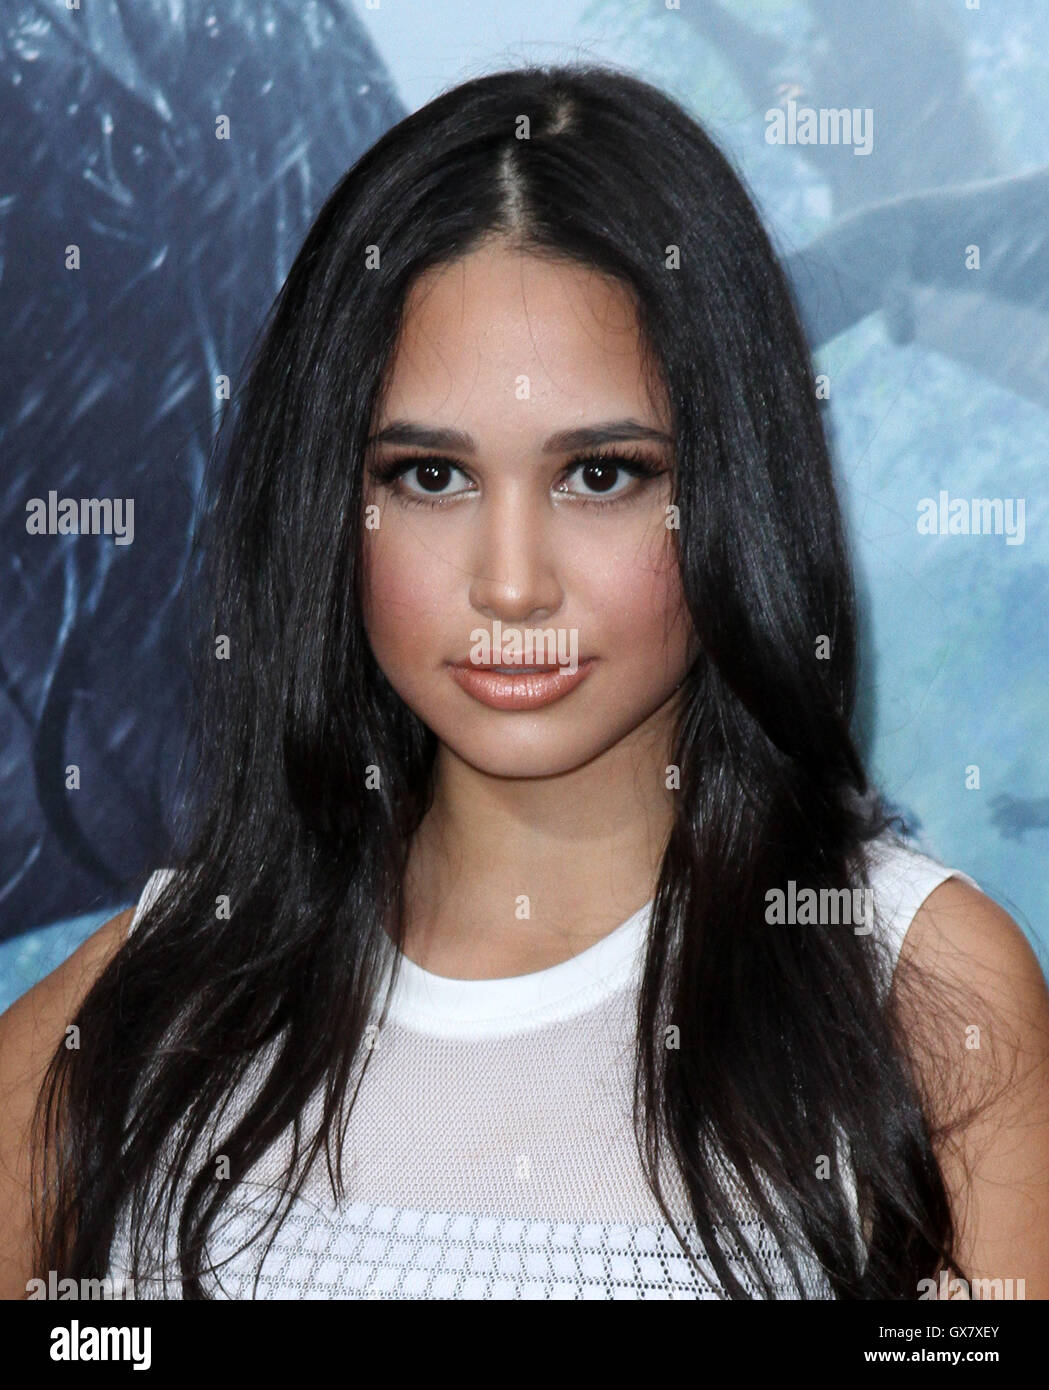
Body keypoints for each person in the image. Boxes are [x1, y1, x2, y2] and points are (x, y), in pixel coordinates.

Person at [2, 64, 1047, 1301]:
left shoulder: (919, 994)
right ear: (332, 508)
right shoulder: (133, 1011)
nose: (510, 585)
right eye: (429, 477)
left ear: (730, 490)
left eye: (599, 474)